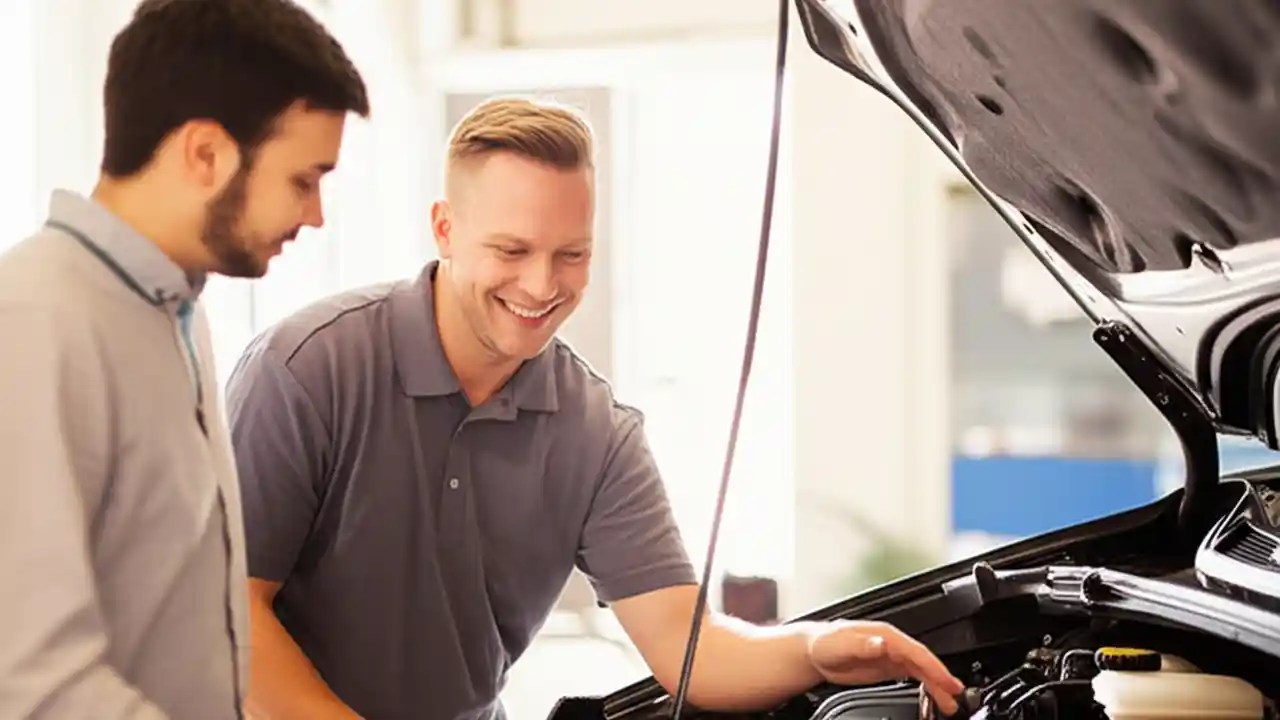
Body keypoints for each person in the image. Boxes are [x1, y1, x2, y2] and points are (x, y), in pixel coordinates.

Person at [226, 96, 965, 720]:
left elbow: (687, 646)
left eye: (571, 254)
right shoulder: (308, 370)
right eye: (511, 250)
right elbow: (227, 612)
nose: (542, 285)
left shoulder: (595, 433)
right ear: (445, 228)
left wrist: (813, 650)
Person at [0, 1, 369, 718]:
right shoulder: (35, 324)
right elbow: (33, 682)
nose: (316, 214)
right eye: (303, 178)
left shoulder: (177, 315)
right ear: (204, 153)